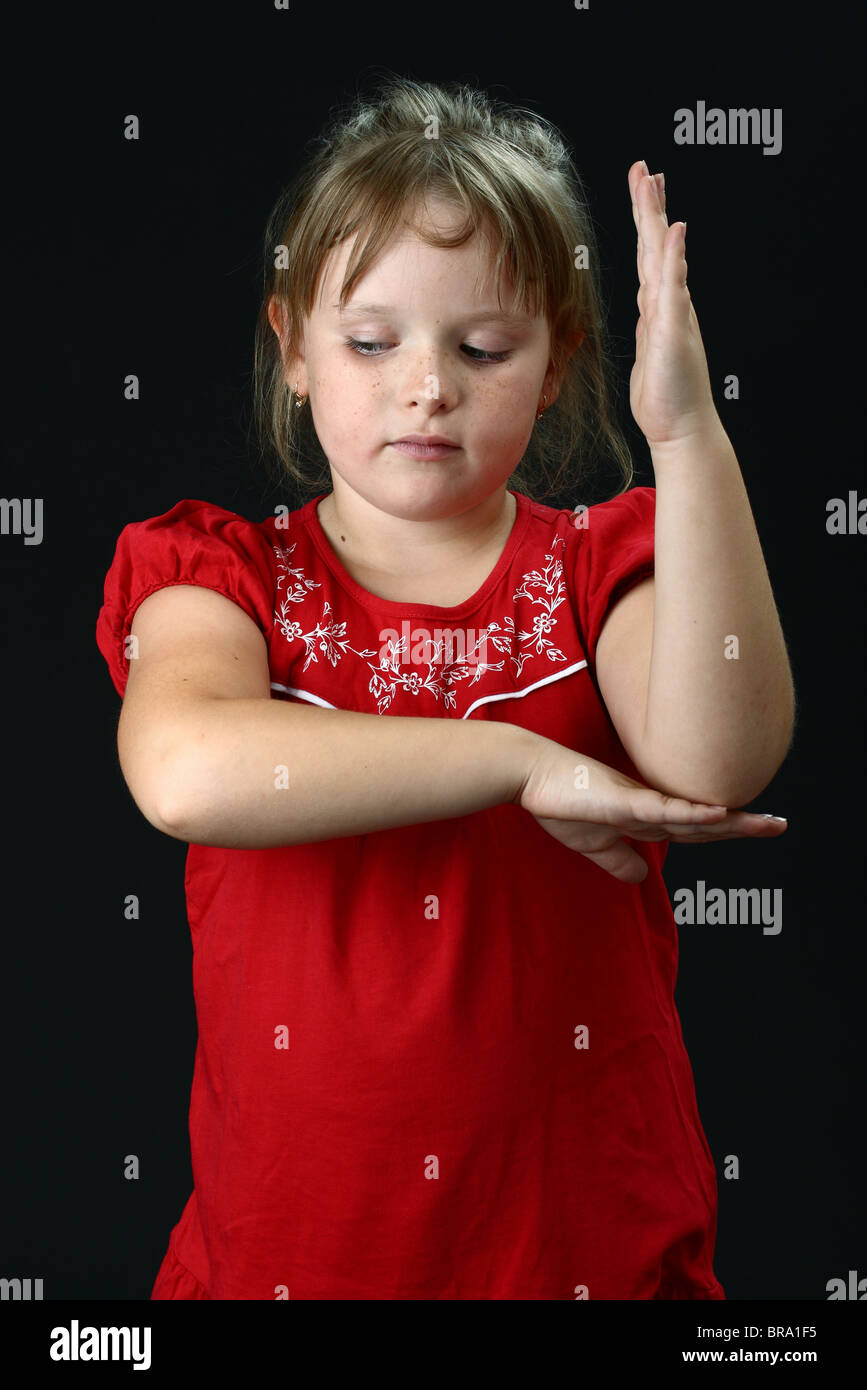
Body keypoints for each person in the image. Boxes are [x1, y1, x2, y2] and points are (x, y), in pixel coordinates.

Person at [95, 76, 795, 1300]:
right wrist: (519, 762)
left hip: (580, 1250)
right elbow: (185, 769)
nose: (427, 385)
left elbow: (718, 759)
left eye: (483, 347)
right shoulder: (218, 572)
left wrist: (690, 441)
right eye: (371, 343)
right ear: (293, 349)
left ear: (560, 356)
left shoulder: (601, 562)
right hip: (293, 1257)